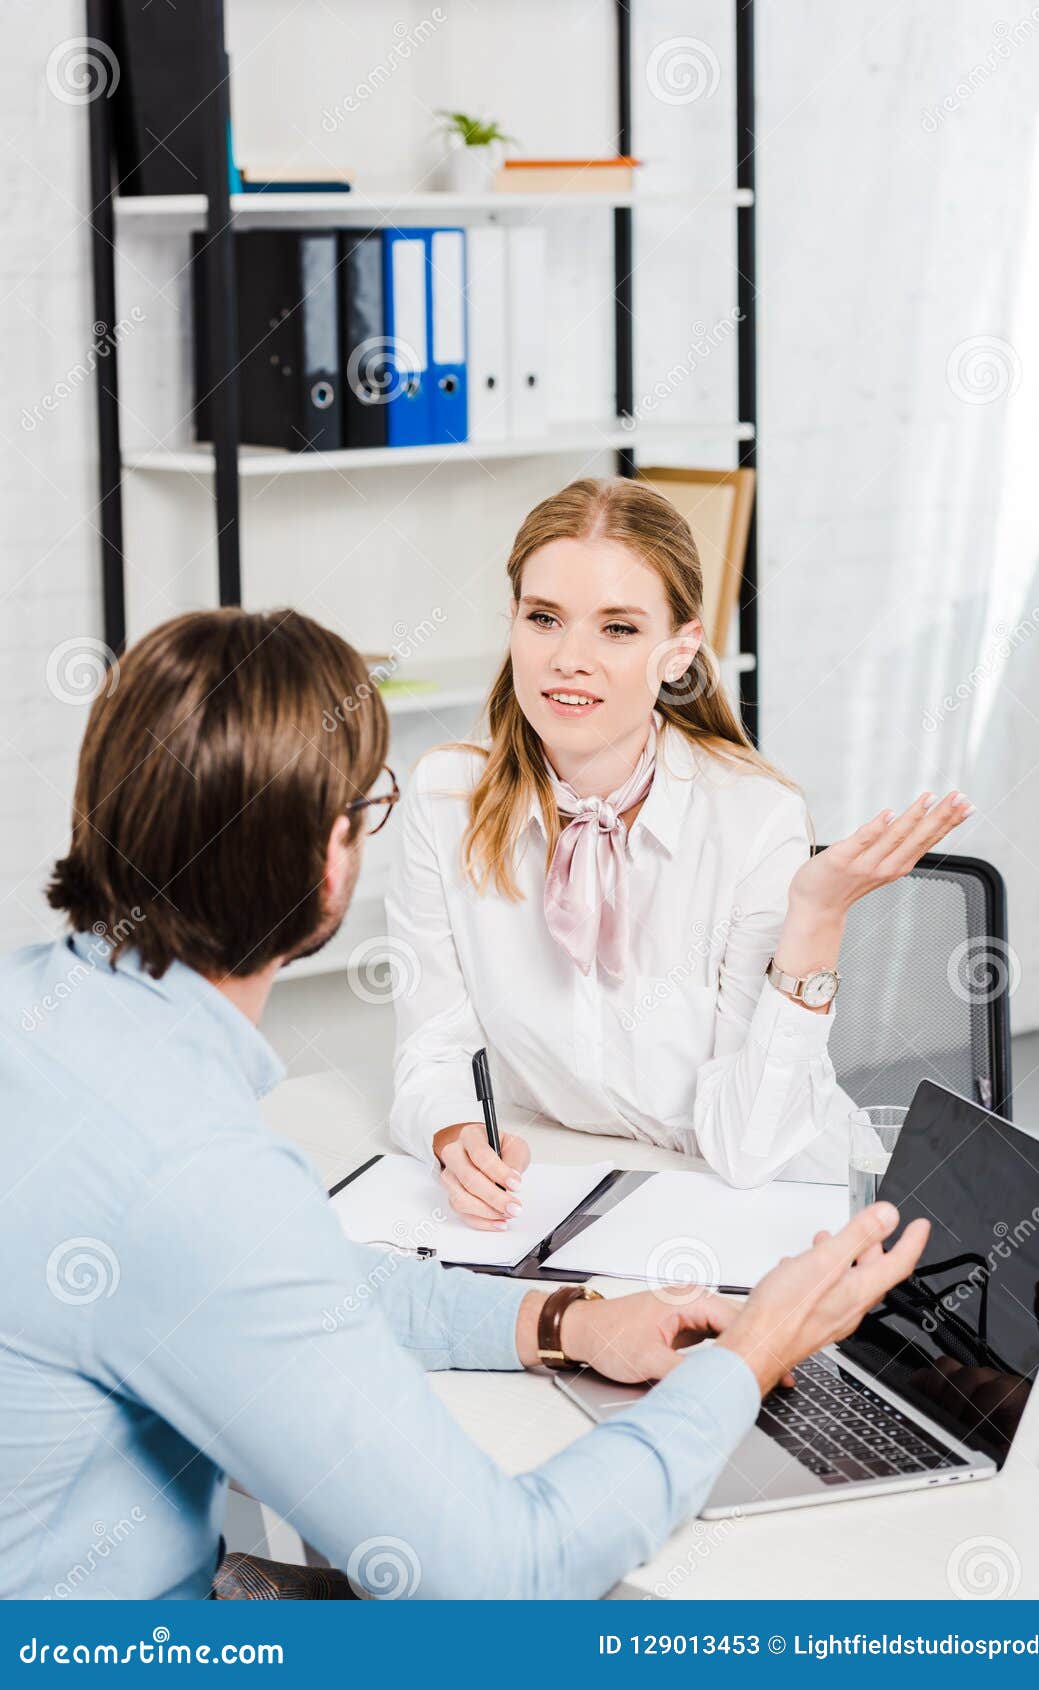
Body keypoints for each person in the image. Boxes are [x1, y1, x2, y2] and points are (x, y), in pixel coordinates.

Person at [0, 606, 928, 1602]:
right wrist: (747, 1356)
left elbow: (289, 1281)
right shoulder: (191, 1173)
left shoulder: (35, 1016)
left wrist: (562, 1319)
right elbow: (500, 1572)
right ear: (329, 862)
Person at [386, 477, 973, 1227]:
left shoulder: (755, 819)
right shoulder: (445, 802)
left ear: (678, 652)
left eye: (618, 629)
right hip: (585, 1190)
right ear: (512, 624)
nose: (569, 658)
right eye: (544, 618)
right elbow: (433, 1048)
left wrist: (816, 917)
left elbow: (748, 1146)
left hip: (784, 1203)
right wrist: (454, 1134)